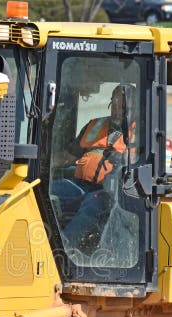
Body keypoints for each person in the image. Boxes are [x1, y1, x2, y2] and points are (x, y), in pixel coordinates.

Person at [55, 84, 137, 253]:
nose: (116, 108)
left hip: (110, 193)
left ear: (133, 107)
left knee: (93, 203)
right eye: (114, 101)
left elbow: (139, 162)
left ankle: (61, 250)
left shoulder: (141, 133)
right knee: (53, 188)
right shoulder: (95, 126)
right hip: (79, 186)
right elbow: (68, 156)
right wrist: (41, 164)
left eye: (122, 104)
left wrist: (123, 158)